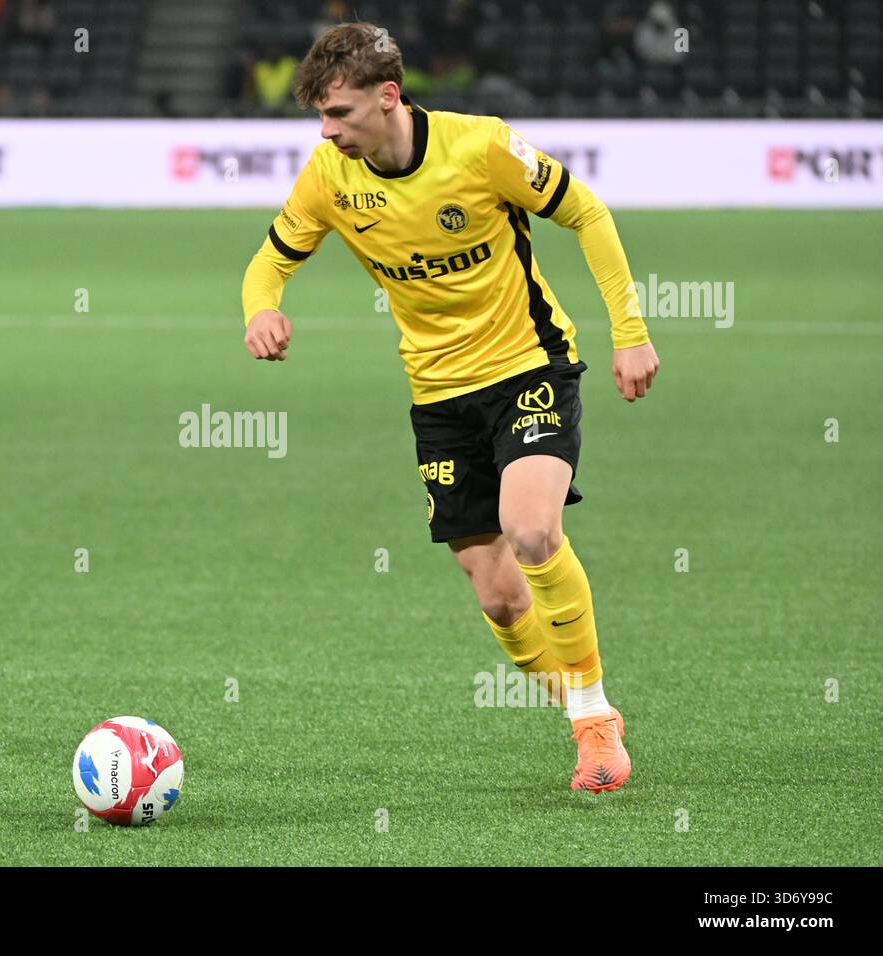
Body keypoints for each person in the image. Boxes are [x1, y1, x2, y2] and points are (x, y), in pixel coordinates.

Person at [240, 23, 659, 794]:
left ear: (388, 96)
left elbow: (588, 214)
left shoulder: (483, 147)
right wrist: (260, 308)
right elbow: (270, 261)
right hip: (437, 394)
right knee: (500, 597)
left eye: (339, 114)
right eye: (321, 119)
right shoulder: (331, 174)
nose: (328, 132)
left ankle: (597, 724)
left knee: (533, 529)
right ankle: (581, 714)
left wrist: (630, 332)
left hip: (528, 365)